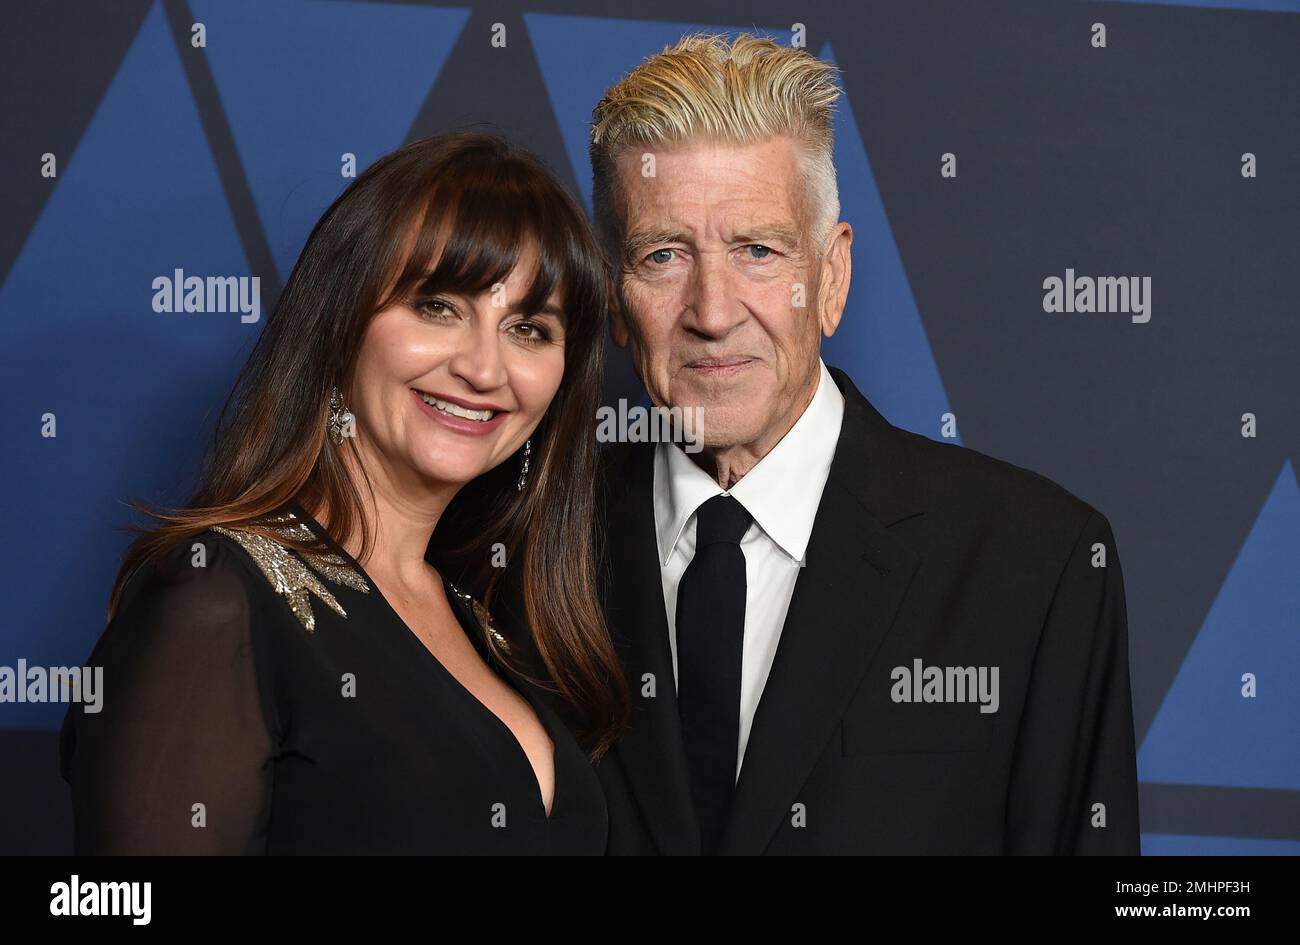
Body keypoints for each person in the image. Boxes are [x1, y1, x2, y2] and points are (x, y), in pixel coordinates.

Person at [582, 33, 1141, 854]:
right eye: (664, 255)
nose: (711, 309)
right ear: (614, 296)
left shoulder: (1038, 564)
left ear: (832, 278)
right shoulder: (528, 544)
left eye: (758, 251)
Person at [59, 132, 628, 854]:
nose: (486, 368)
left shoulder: (488, 624)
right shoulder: (215, 594)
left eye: (528, 328)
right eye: (439, 307)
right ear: (340, 324)